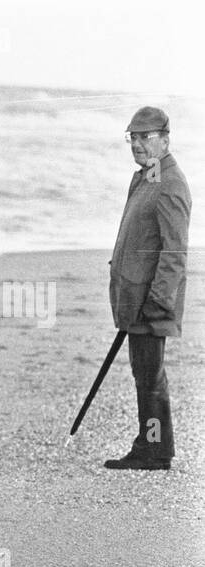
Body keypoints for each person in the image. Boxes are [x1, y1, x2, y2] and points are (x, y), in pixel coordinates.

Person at [105, 106, 191, 471]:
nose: (138, 145)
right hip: (135, 298)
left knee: (150, 378)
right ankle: (153, 444)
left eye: (146, 137)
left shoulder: (170, 185)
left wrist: (157, 302)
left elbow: (174, 253)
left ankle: (153, 449)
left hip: (151, 302)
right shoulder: (145, 178)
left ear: (165, 140)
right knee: (145, 375)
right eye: (134, 137)